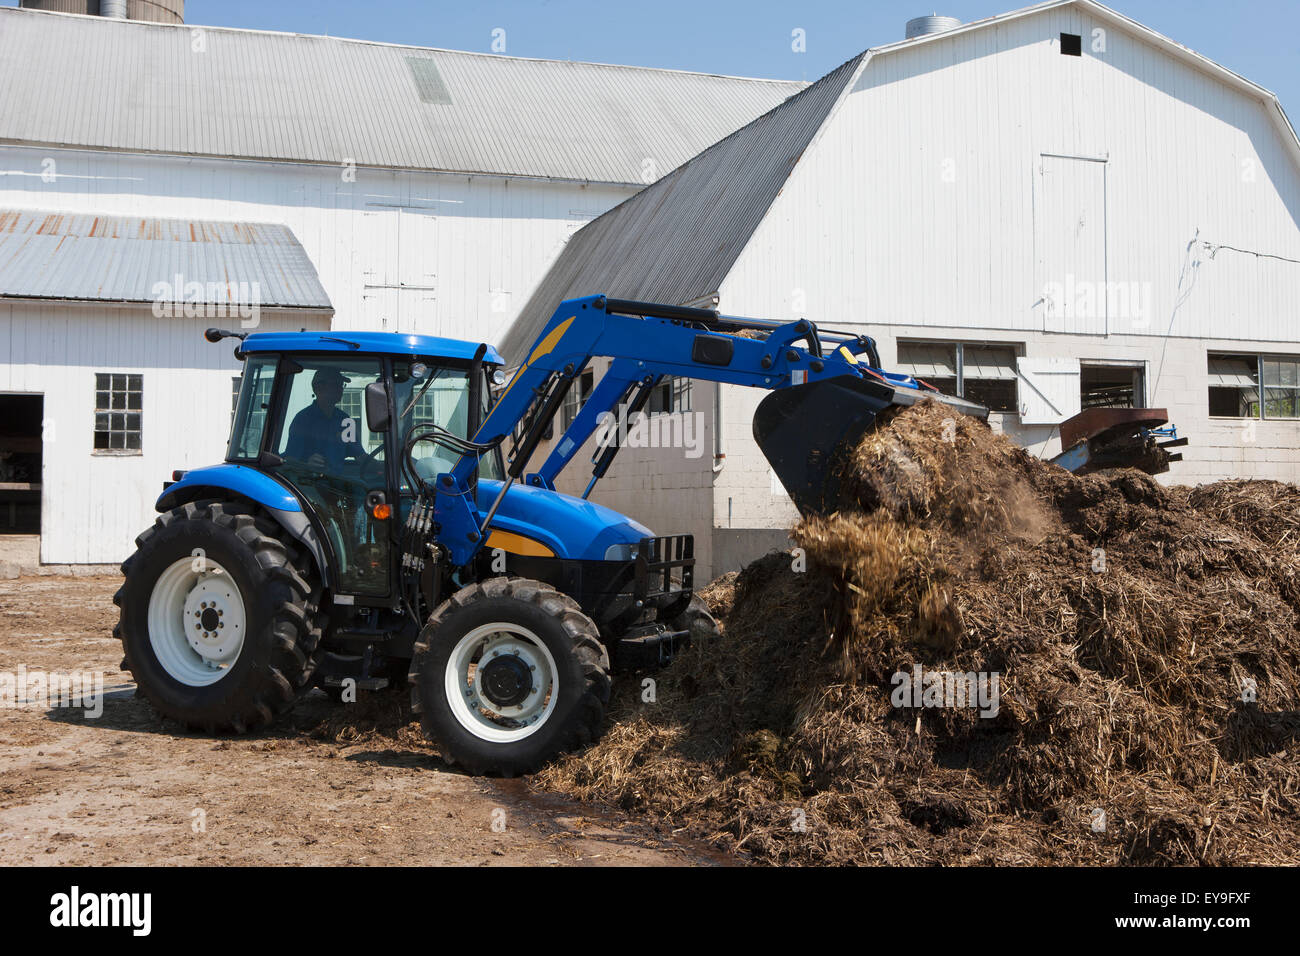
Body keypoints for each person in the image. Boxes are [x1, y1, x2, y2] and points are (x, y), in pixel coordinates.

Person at [284, 367, 362, 470]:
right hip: (308, 483)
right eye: (335, 384)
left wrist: (381, 467)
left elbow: (360, 456)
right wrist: (307, 464)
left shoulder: (345, 420)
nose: (340, 389)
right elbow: (290, 460)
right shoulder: (302, 420)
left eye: (341, 385)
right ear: (318, 388)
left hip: (338, 482)